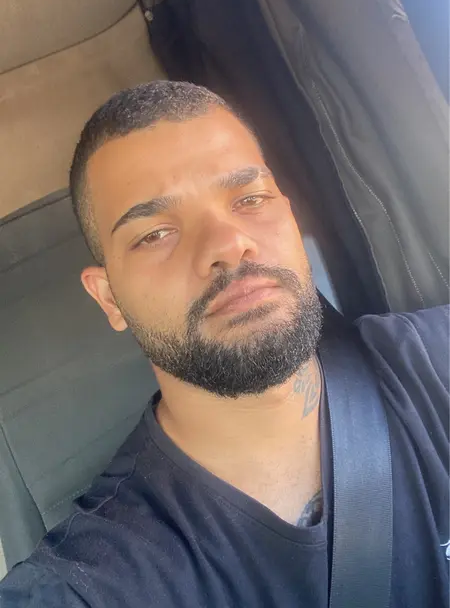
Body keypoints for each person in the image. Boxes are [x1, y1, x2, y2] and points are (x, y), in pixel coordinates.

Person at [0, 81, 448, 608]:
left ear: (291, 216)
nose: (230, 244)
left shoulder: (432, 362)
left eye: (250, 199)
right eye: (155, 234)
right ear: (109, 298)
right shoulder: (95, 582)